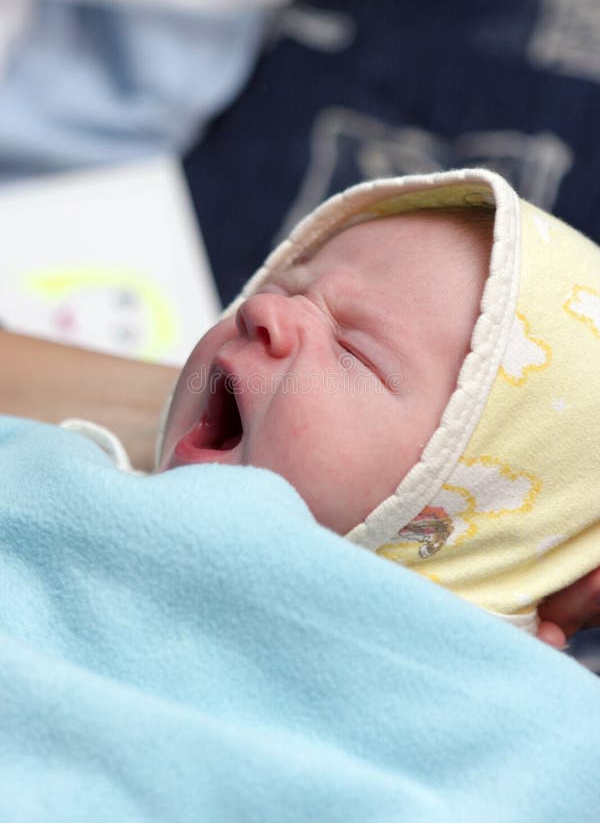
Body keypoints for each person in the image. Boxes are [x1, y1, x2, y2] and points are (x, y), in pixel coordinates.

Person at [155, 167, 600, 637]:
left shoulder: (455, 693)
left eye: (353, 350)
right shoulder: (81, 479)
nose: (261, 310)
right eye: (283, 288)